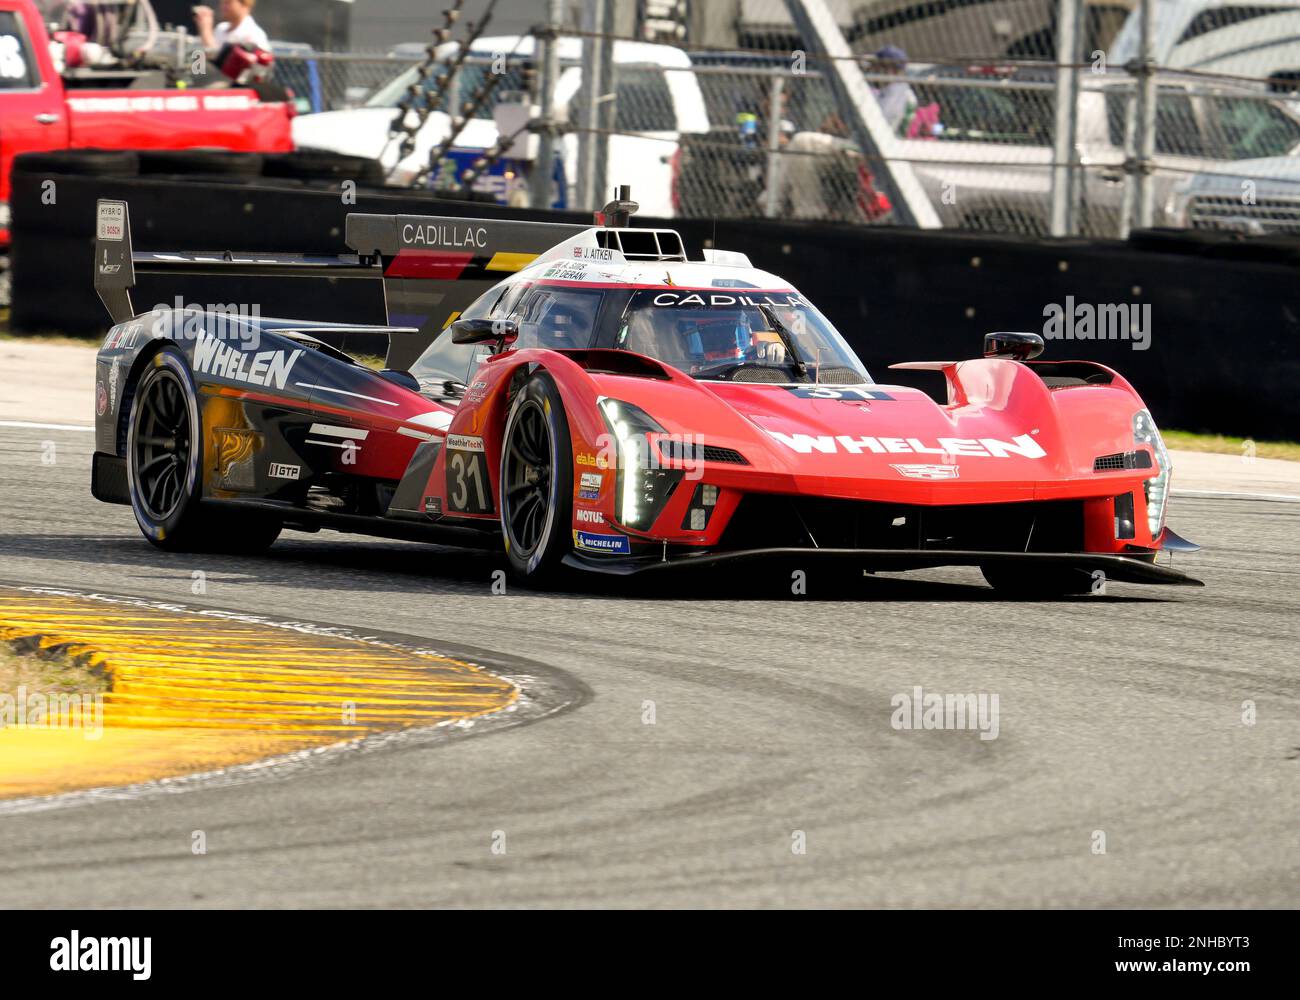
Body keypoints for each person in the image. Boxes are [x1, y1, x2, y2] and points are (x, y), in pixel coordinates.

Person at [866, 45, 917, 135]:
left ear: (891, 69)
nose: (872, 69)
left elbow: (878, 123)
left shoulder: (898, 92)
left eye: (876, 65)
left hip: (888, 141)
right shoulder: (887, 89)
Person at [193, 0, 270, 54]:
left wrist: (206, 31)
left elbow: (219, 62)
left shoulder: (253, 34)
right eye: (223, 3)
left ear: (244, 4)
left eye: (228, 2)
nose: (223, 7)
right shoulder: (221, 28)